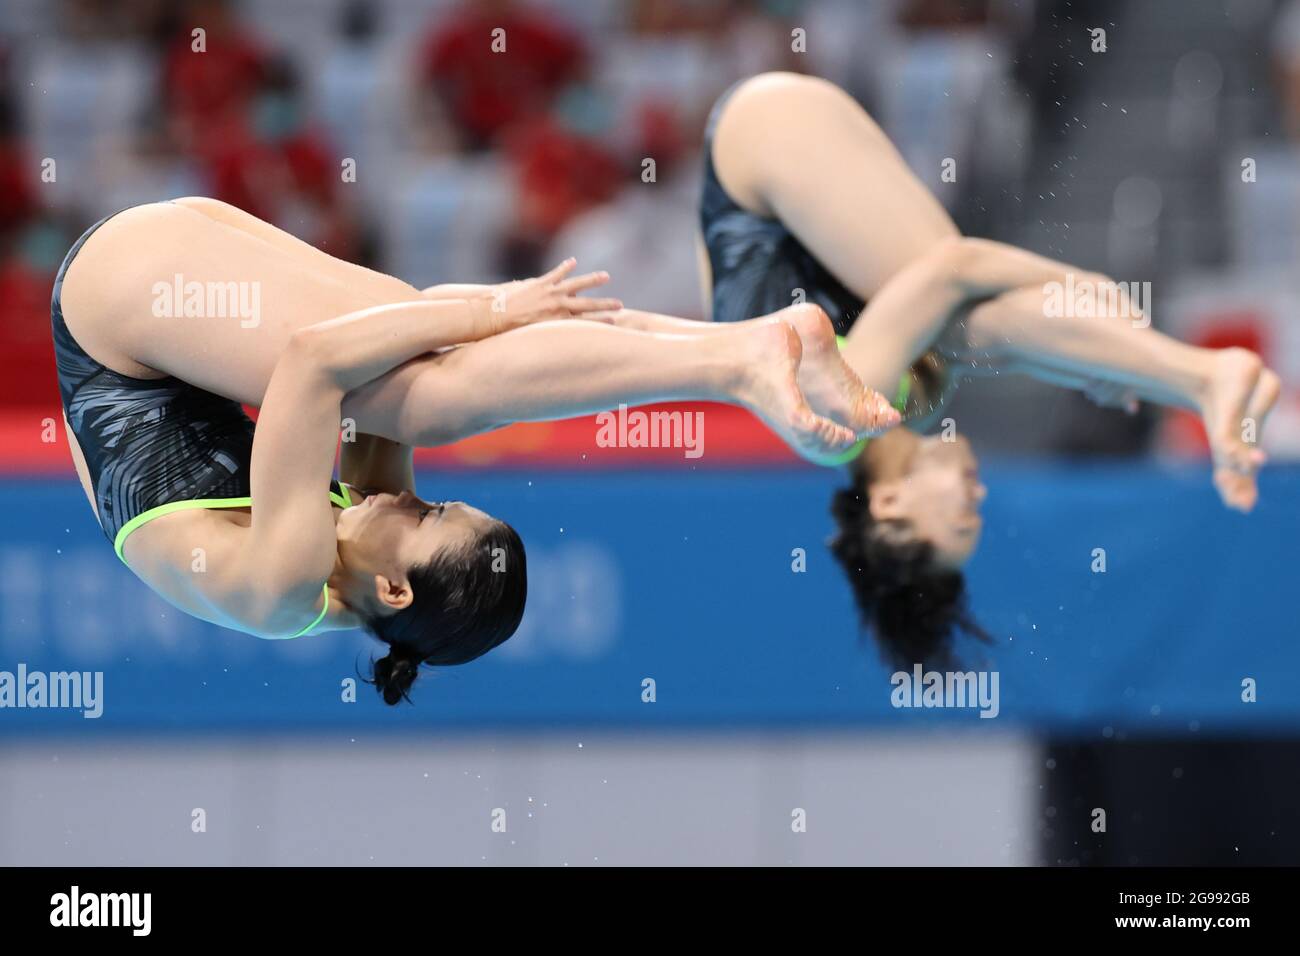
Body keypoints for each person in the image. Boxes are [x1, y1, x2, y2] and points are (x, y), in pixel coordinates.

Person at [51, 197, 894, 702]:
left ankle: (740, 360)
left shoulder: (282, 585)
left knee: (434, 391)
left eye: (422, 511)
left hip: (119, 307)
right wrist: (497, 310)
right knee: (431, 376)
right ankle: (745, 346)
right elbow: (412, 342)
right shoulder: (360, 551)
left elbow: (316, 362)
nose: (401, 495)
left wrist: (495, 310)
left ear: (392, 584)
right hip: (157, 289)